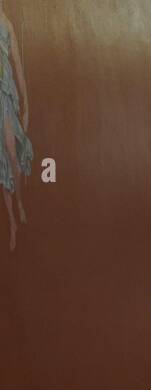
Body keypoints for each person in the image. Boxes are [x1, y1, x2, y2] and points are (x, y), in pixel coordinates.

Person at [0, 0, 33, 252]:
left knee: (12, 153)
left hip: (6, 97)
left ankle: (20, 202)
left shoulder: (7, 25)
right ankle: (11, 221)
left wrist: (26, 102)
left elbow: (19, 67)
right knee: (1, 164)